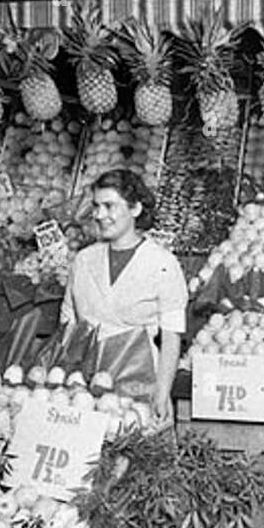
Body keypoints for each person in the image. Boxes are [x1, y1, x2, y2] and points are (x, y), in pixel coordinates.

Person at [60, 169, 187, 425]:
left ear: (136, 209)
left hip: (139, 387)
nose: (99, 215)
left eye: (109, 206)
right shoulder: (84, 260)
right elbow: (68, 323)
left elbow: (172, 336)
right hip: (85, 387)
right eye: (96, 206)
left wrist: (162, 393)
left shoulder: (162, 263)